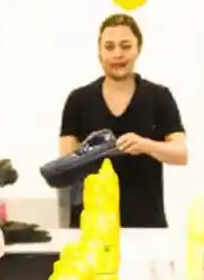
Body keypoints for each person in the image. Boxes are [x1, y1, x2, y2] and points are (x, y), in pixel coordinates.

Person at [59, 13, 187, 228]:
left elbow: (180, 154)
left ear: (138, 49)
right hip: (89, 228)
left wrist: (146, 145)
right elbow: (64, 164)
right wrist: (92, 151)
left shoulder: (159, 96)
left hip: (146, 225)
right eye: (109, 47)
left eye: (125, 46)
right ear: (99, 52)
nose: (117, 54)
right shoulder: (78, 100)